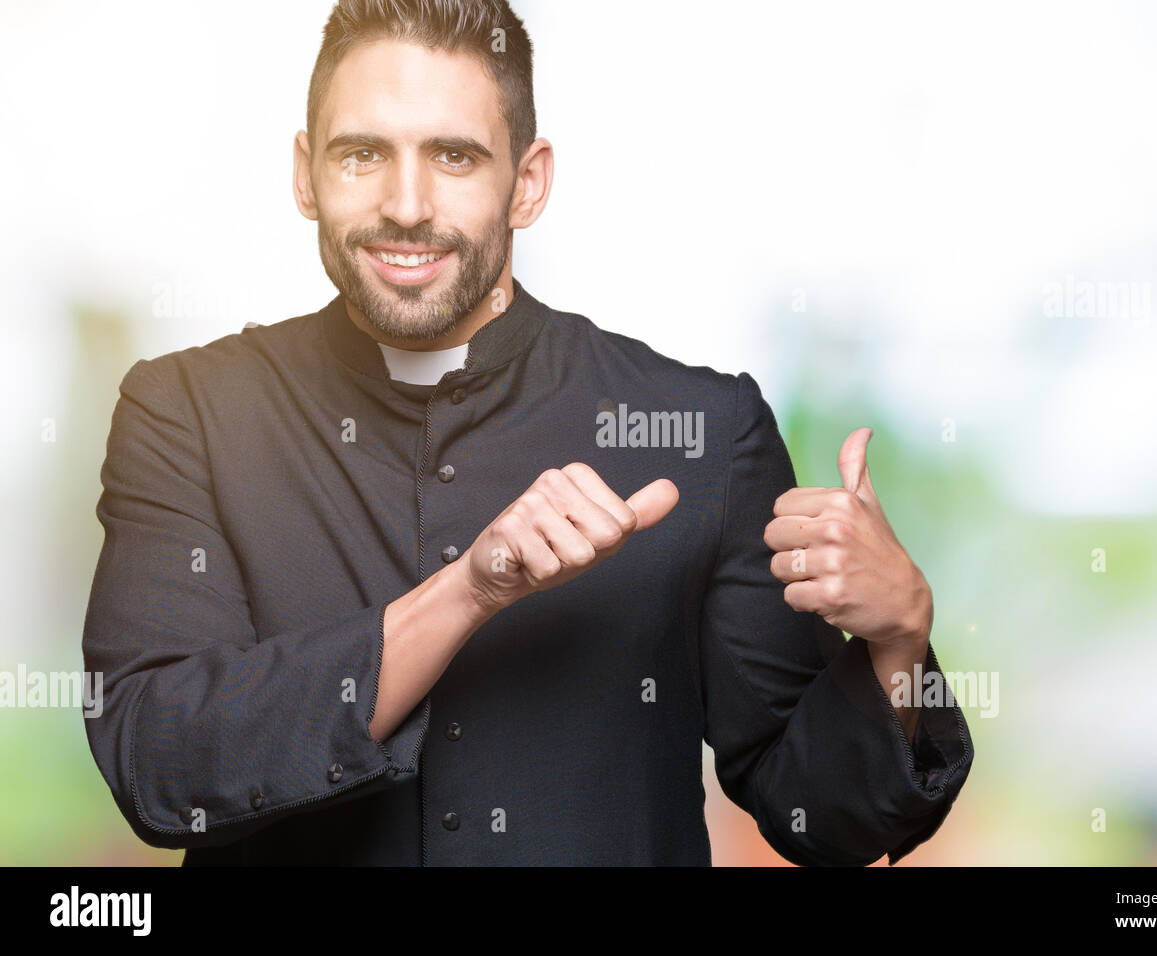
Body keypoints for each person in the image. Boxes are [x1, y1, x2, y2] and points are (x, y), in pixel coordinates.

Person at [82, 0, 972, 866]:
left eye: (455, 156)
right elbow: (159, 762)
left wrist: (899, 643)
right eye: (363, 155)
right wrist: (469, 590)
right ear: (305, 173)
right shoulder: (189, 413)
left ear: (529, 181)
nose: (406, 203)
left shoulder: (704, 431)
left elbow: (819, 816)